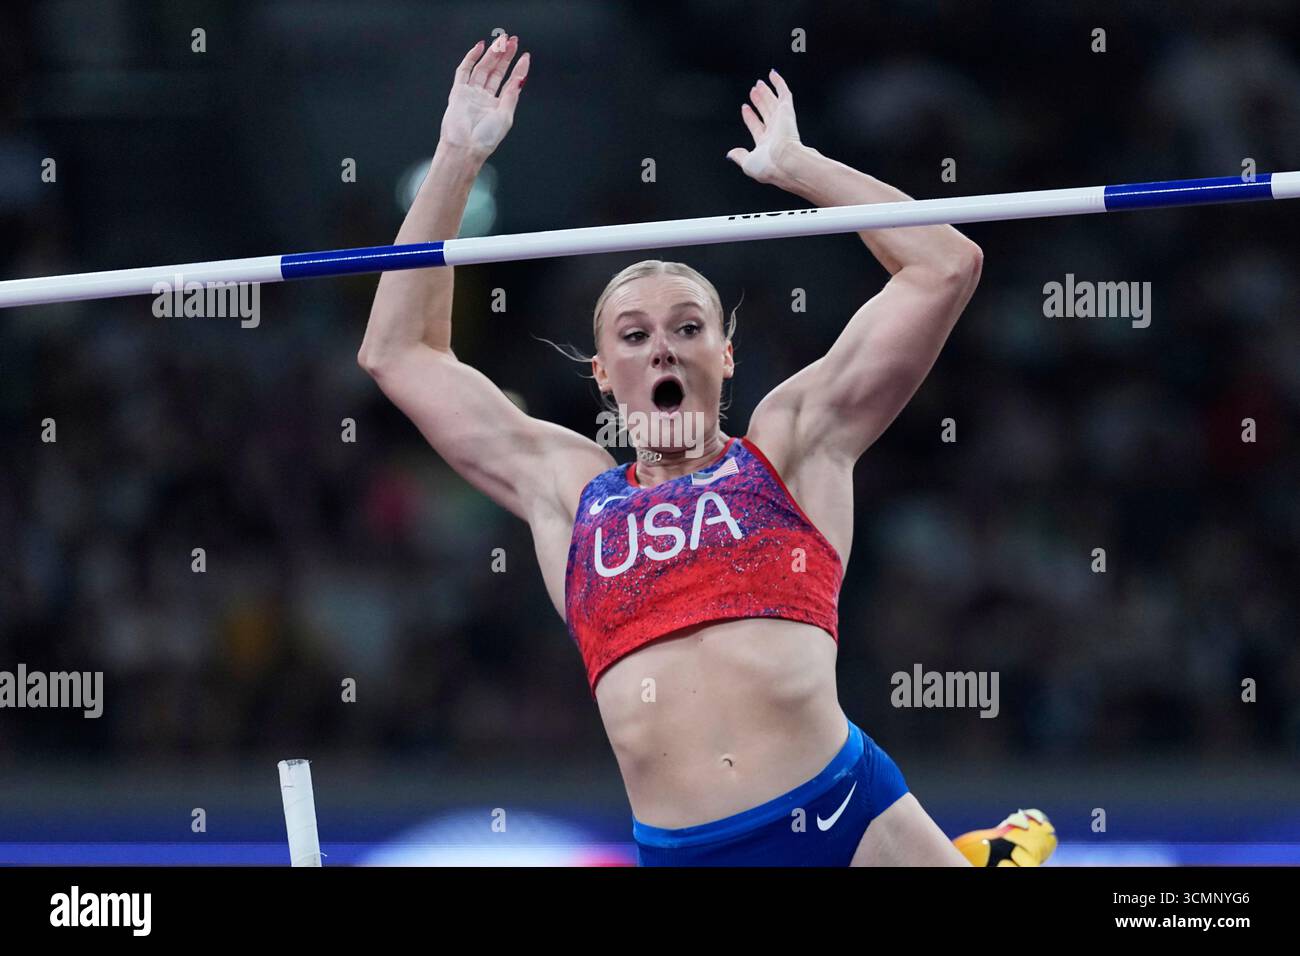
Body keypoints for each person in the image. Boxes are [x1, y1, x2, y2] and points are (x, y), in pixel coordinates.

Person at [358, 33, 1057, 866]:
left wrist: (801, 168)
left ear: (725, 356)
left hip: (850, 819)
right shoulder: (567, 490)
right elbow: (399, 352)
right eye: (635, 335)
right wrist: (456, 157)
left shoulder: (793, 444)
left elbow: (944, 266)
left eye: (689, 328)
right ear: (603, 374)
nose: (663, 348)